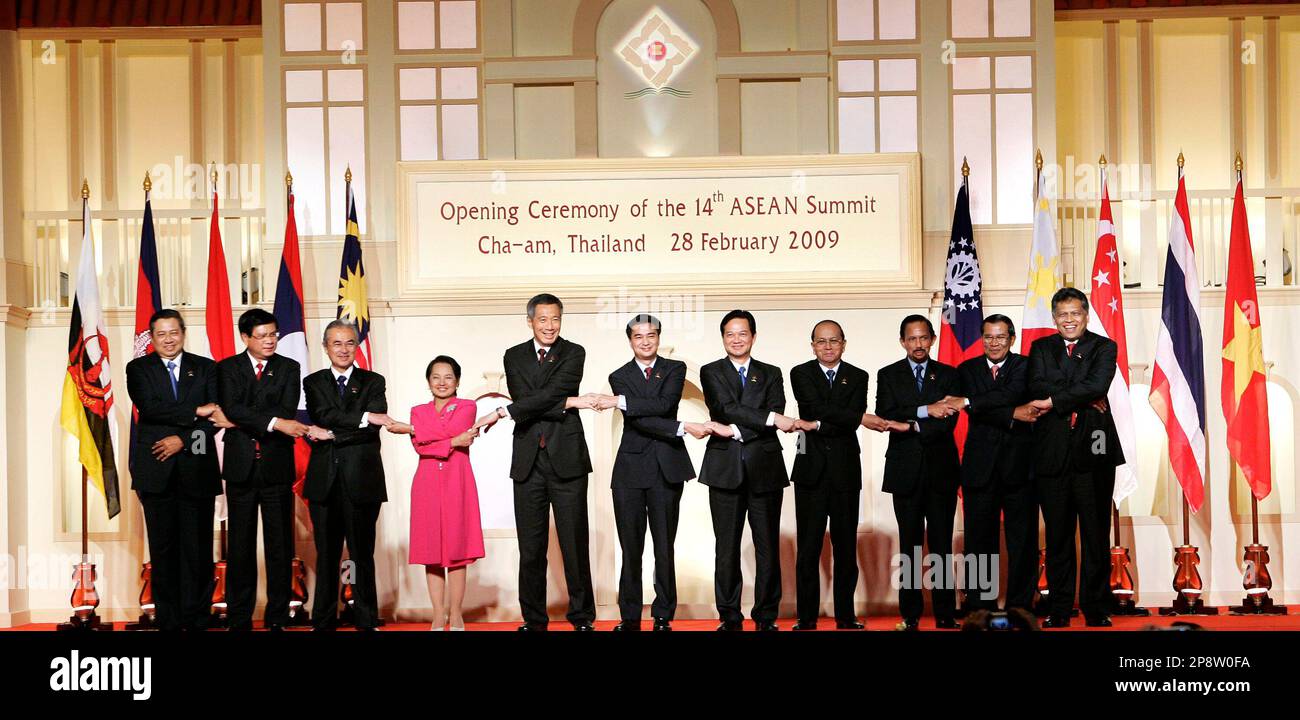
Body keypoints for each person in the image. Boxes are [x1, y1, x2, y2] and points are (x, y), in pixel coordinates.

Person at [474, 293, 601, 631]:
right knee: (531, 548)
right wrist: (568, 401)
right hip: (529, 462)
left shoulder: (574, 352)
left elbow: (541, 396)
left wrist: (505, 410)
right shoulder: (513, 356)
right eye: (542, 319)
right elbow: (531, 399)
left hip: (568, 460)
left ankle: (582, 616)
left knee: (575, 544)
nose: (549, 325)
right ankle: (533, 619)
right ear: (529, 321)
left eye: (555, 319)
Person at [126, 309, 232, 630]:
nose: (169, 340)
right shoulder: (138, 369)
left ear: (183, 333)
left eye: (174, 333)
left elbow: (214, 417)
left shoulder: (207, 368)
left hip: (196, 469)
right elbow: (150, 407)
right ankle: (169, 621)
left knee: (198, 551)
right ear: (152, 338)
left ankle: (198, 619)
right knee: (164, 551)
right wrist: (194, 410)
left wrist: (181, 441)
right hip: (155, 471)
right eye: (161, 334)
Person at [1028, 288, 1124, 628]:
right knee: (1057, 537)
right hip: (1052, 454)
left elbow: (1097, 385)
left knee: (1096, 535)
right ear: (1054, 319)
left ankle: (1096, 608)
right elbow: (1036, 386)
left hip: (1094, 451)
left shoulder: (1104, 346)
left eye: (1075, 314)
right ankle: (1060, 609)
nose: (1069, 320)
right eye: (1063, 315)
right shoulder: (1040, 348)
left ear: (1086, 316)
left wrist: (1055, 401)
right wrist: (1077, 392)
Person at [606, 315, 709, 632]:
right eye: (638, 336)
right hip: (629, 472)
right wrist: (681, 427)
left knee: (665, 546)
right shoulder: (618, 376)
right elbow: (638, 421)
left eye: (651, 335)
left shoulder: (675, 369)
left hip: (667, 468)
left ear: (658, 337)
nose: (645, 341)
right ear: (630, 340)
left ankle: (664, 614)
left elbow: (664, 406)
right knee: (631, 548)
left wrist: (625, 402)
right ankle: (630, 617)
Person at [698, 310, 797, 631]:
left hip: (764, 467)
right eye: (730, 334)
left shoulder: (771, 372)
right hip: (724, 469)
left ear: (753, 336)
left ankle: (766, 616)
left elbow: (776, 409)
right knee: (725, 547)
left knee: (767, 545)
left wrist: (738, 429)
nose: (736, 339)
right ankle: (729, 615)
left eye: (742, 333)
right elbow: (723, 407)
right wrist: (766, 420)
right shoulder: (710, 371)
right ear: (723, 338)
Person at [941, 315, 1041, 612]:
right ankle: (980, 606)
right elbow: (986, 409)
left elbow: (1003, 395)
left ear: (1011, 338)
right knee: (978, 543)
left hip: (1019, 468)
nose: (993, 342)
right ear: (981, 338)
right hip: (979, 469)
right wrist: (1013, 413)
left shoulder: (1025, 366)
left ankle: (1020, 606)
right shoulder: (967, 369)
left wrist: (970, 402)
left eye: (999, 337)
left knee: (1022, 543)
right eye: (988, 336)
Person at [218, 308, 309, 631]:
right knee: (240, 548)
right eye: (262, 336)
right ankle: (239, 618)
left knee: (280, 547)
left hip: (276, 467)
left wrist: (245, 418)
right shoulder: (228, 368)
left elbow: (284, 409)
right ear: (245, 337)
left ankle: (277, 617)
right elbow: (232, 406)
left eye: (273, 334)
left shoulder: (289, 367)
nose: (270, 341)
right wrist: (273, 423)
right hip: (241, 468)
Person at [302, 320, 393, 631]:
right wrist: (364, 418)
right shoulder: (313, 383)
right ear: (326, 347)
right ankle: (324, 620)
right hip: (324, 482)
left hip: (362, 481)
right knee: (327, 555)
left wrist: (333, 435)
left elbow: (374, 425)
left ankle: (365, 619)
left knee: (360, 555)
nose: (343, 349)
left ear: (358, 346)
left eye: (349, 343)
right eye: (336, 343)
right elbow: (322, 415)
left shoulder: (373, 381)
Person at [874, 315, 961, 630]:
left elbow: (949, 419)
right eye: (912, 339)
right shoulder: (888, 375)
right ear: (903, 342)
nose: (918, 344)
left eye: (924, 338)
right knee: (909, 545)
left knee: (941, 544)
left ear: (933, 339)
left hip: (941, 471)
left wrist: (908, 423)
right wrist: (924, 413)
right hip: (904, 472)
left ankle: (945, 613)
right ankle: (910, 614)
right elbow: (886, 413)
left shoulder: (949, 375)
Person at [388, 356, 485, 631]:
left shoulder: (468, 406)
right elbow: (422, 447)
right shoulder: (418, 410)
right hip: (427, 484)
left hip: (458, 481)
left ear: (457, 381)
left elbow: (451, 431)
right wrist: (452, 441)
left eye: (448, 377)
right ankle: (438, 613)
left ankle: (456, 613)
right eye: (436, 377)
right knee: (431, 551)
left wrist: (412, 430)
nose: (442, 383)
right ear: (428, 381)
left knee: (456, 551)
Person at [789, 320, 872, 631]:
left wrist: (828, 420)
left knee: (846, 548)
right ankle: (806, 617)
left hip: (845, 471)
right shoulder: (801, 373)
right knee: (808, 548)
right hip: (810, 472)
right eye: (821, 342)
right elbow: (811, 408)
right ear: (812, 345)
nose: (827, 346)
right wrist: (852, 417)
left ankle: (846, 616)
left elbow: (846, 424)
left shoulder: (858, 376)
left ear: (843, 344)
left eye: (833, 341)